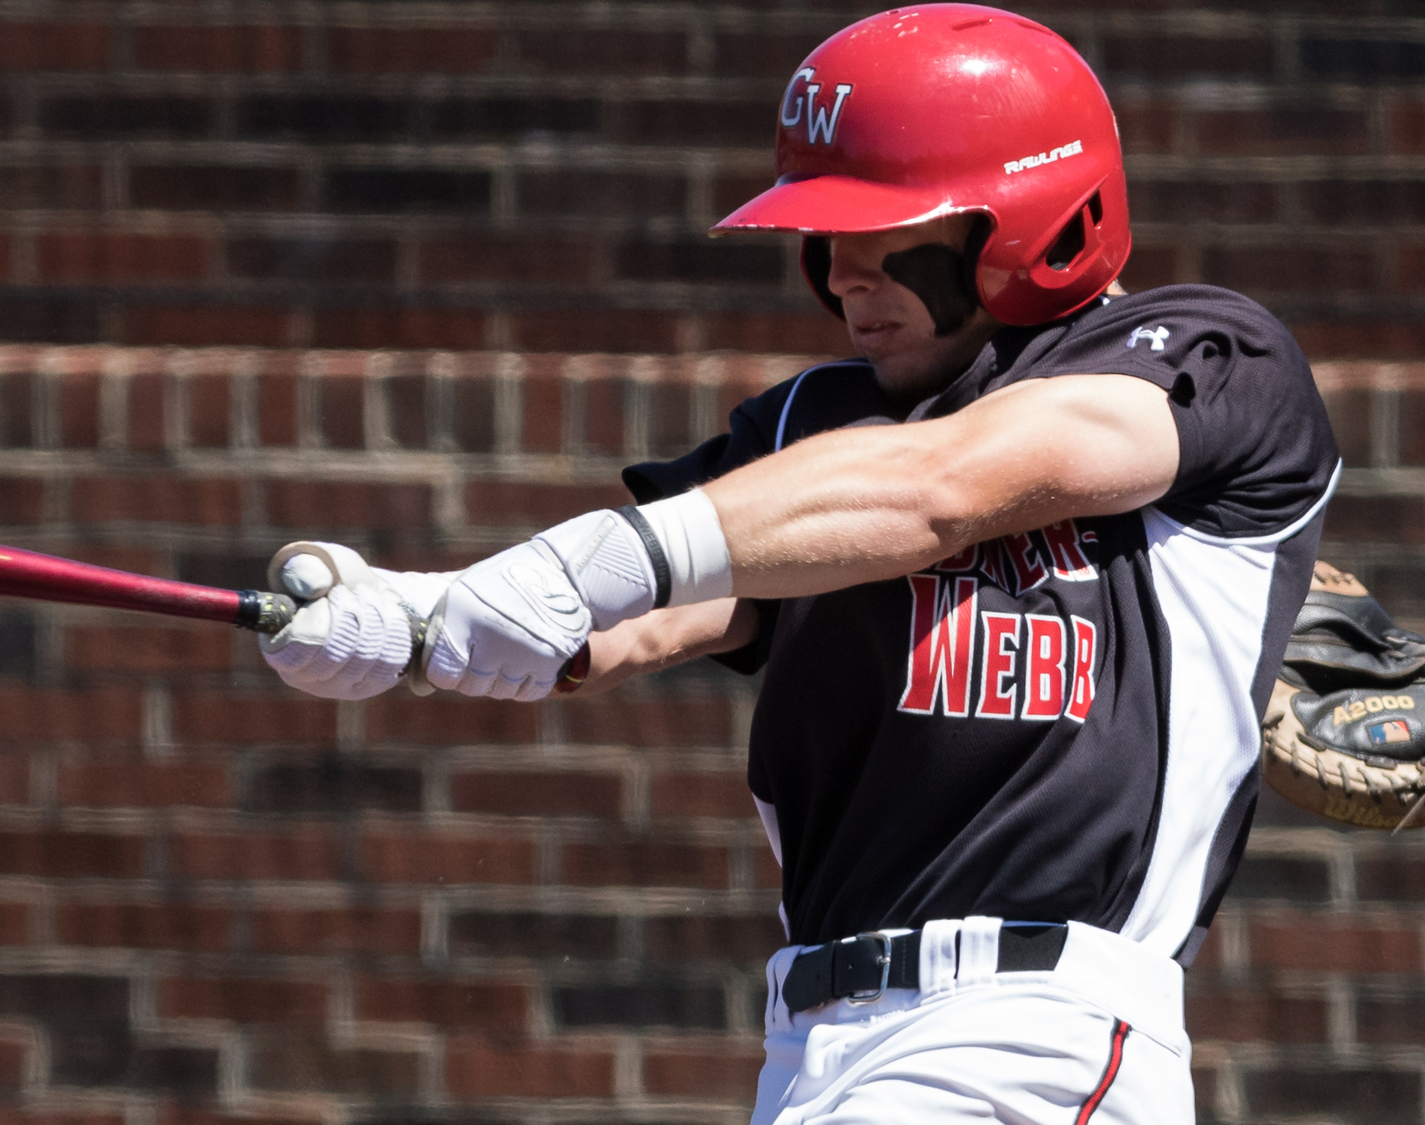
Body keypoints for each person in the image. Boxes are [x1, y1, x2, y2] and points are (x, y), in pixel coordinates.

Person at [258, 5, 1339, 1123]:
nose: (844, 277)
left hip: (1031, 1030)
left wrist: (597, 563)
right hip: (813, 1039)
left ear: (1026, 220)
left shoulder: (1207, 357)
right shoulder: (807, 430)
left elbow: (944, 488)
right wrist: (415, 624)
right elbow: (645, 609)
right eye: (825, 244)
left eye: (892, 240)